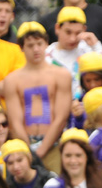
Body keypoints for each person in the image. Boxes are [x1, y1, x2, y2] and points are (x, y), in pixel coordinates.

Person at [4, 21, 73, 173]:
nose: (35, 49)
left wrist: (41, 151)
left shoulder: (61, 74)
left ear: (46, 44)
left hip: (54, 145)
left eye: (39, 43)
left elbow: (61, 117)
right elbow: (15, 121)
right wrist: (28, 150)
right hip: (24, 147)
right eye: (29, 45)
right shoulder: (12, 80)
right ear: (21, 48)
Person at [45, 6, 102, 96]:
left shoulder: (88, 50)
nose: (72, 39)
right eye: (68, 32)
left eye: (77, 33)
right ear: (57, 28)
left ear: (84, 29)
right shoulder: (47, 55)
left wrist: (97, 46)